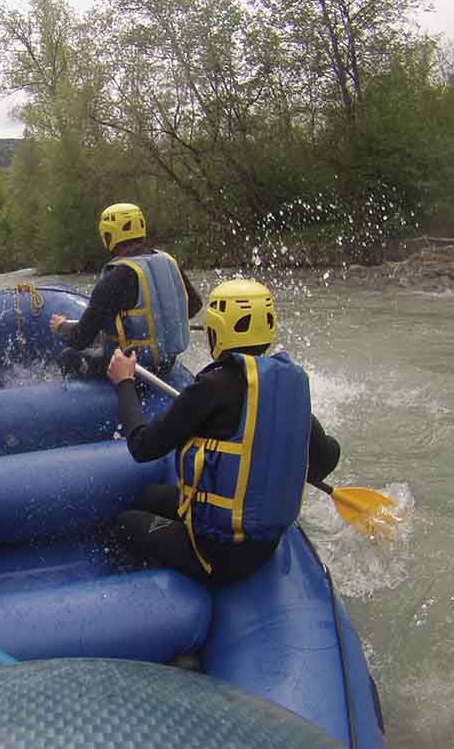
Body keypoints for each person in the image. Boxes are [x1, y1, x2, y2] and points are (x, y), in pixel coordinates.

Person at [105, 279, 341, 585]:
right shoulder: (287, 387)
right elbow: (326, 459)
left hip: (215, 555)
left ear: (217, 331)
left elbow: (142, 446)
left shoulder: (211, 388)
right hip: (263, 544)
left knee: (124, 523)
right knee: (150, 496)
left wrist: (124, 382)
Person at [49, 203, 203, 378]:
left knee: (68, 357)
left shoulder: (113, 279)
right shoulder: (168, 262)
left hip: (133, 370)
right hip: (166, 363)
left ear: (108, 235)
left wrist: (61, 327)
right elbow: (194, 306)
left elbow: (80, 339)